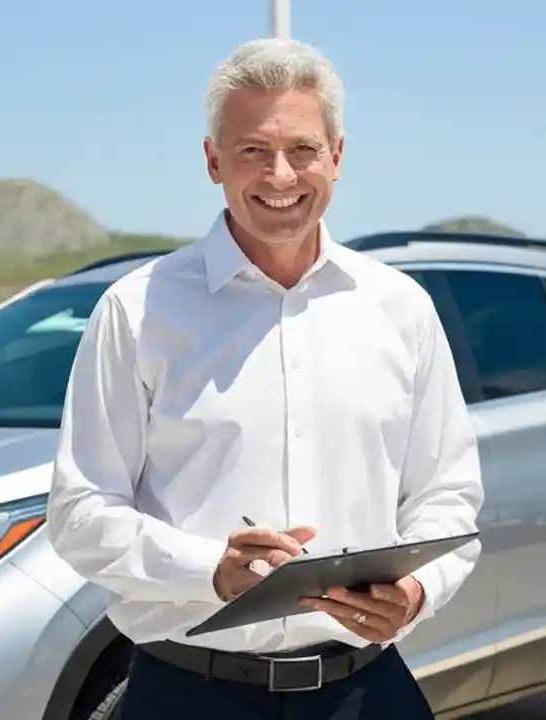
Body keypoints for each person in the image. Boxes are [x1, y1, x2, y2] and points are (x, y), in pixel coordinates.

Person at [47, 37, 484, 719]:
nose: (281, 175)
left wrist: (419, 589)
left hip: (368, 692)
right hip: (188, 694)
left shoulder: (401, 310)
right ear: (212, 160)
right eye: (252, 150)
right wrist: (208, 571)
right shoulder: (138, 312)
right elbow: (80, 513)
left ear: (337, 157)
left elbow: (448, 496)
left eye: (303, 150)